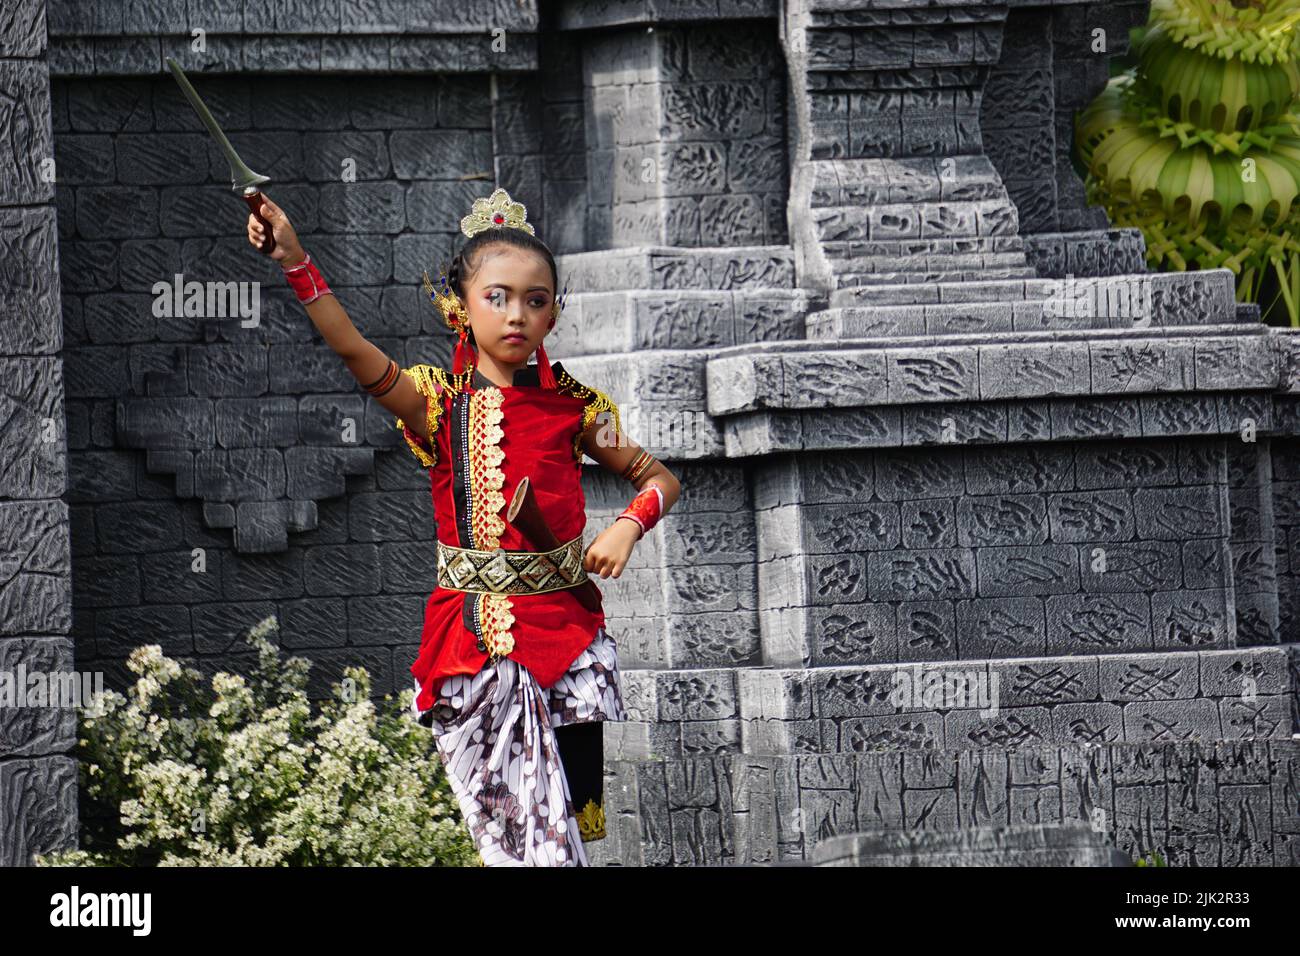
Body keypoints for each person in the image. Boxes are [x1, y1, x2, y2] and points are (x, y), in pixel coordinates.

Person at [246, 186, 681, 866]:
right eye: (497, 297)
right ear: (460, 308)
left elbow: (661, 480)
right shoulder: (436, 401)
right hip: (482, 648)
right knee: (521, 843)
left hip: (572, 645)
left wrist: (628, 524)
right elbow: (356, 352)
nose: (518, 314)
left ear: (555, 312)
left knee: (576, 827)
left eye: (536, 300)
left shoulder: (581, 408)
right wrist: (297, 262)